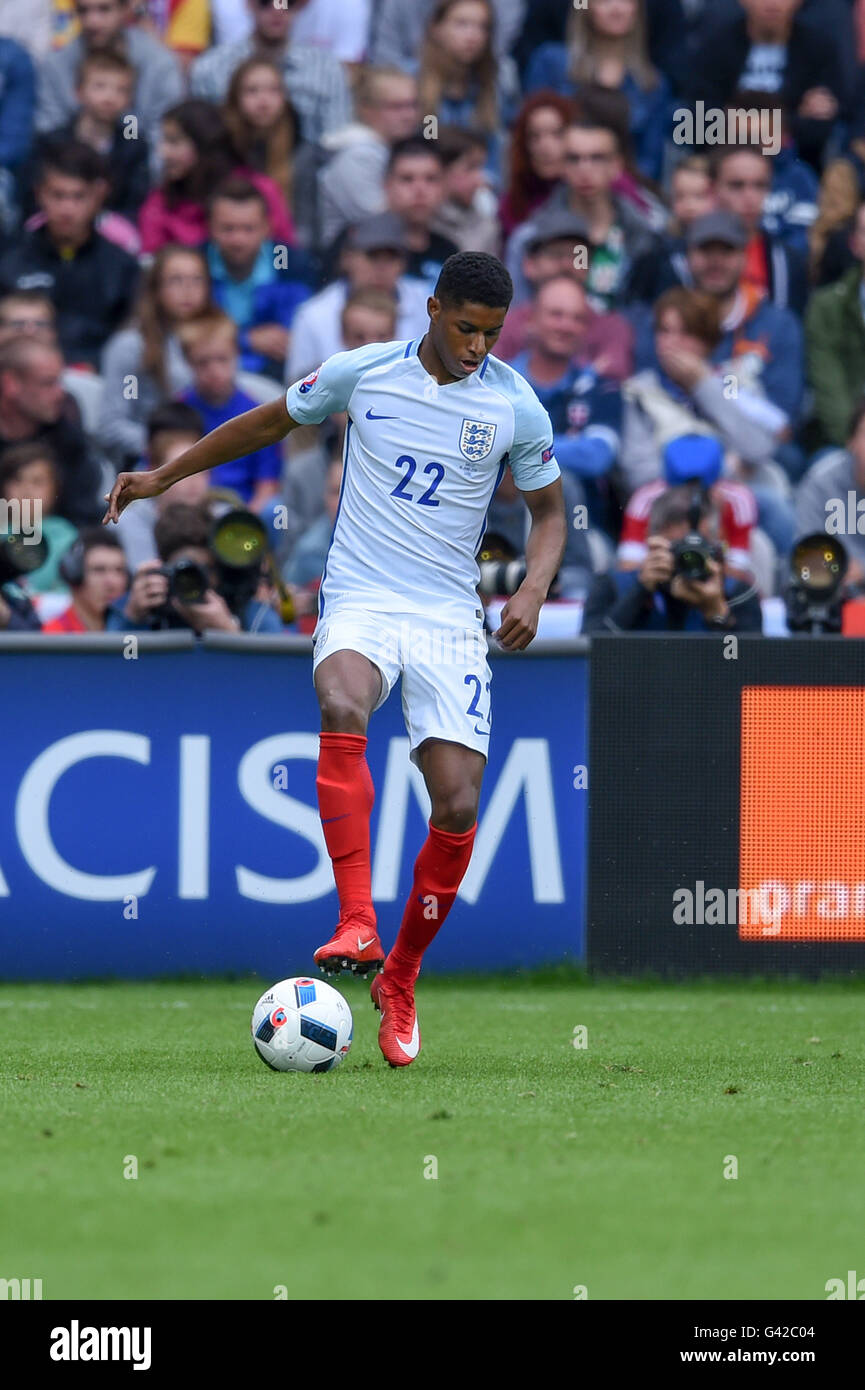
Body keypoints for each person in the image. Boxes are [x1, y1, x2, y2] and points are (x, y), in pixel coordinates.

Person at [103, 250, 567, 1069]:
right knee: (342, 701)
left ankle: (401, 976)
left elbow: (550, 513)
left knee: (457, 803)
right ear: (432, 309)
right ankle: (356, 919)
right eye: (465, 328)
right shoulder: (363, 372)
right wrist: (165, 476)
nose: (476, 347)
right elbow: (267, 422)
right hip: (360, 593)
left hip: (447, 616)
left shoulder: (513, 405)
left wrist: (532, 588)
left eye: (491, 334)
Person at [0, 141, 139, 369]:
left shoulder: (123, 267)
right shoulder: (8, 261)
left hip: (98, 378)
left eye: (78, 197)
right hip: (18, 377)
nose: (67, 209)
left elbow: (130, 344)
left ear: (98, 196)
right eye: (58, 195)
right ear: (39, 194)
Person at [506, 115, 663, 309]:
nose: (585, 169)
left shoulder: (645, 237)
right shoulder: (530, 237)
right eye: (573, 159)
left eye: (597, 158)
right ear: (562, 166)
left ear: (616, 166)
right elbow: (518, 314)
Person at [687, 0, 848, 169]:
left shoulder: (819, 50)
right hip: (721, 160)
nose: (772, 3)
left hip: (795, 164)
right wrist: (788, 120)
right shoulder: (715, 46)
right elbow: (699, 119)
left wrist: (739, 121)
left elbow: (820, 126)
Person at [582, 486, 763, 633]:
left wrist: (717, 613)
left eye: (697, 550)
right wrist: (639, 592)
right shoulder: (613, 586)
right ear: (650, 540)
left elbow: (752, 665)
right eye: (677, 548)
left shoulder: (737, 594)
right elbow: (589, 657)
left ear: (715, 545)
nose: (687, 559)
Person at [524, 0, 671, 181]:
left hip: (625, 189)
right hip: (554, 186)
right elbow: (530, 139)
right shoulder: (551, 64)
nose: (616, 8)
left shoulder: (653, 84)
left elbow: (649, 163)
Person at [99, 244, 214, 468]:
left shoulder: (219, 340)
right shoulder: (130, 347)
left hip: (212, 462)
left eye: (197, 280)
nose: (188, 290)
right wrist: (168, 447)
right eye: (176, 280)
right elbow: (112, 426)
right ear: (155, 288)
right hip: (150, 465)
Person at [138, 99, 295, 255]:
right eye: (164, 141)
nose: (163, 152)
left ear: (203, 144)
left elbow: (284, 253)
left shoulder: (260, 191)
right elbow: (152, 261)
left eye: (174, 142)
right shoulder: (161, 202)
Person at [285, 213, 429, 381]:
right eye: (372, 256)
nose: (382, 268)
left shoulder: (426, 305)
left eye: (391, 257)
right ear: (347, 258)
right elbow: (296, 387)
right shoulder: (313, 315)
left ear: (404, 263)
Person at [494, 207, 634, 379]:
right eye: (556, 254)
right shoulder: (503, 327)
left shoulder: (611, 329)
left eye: (578, 257)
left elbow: (613, 377)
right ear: (529, 265)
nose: (567, 265)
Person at [107, 500, 285, 634]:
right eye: (184, 570)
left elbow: (274, 670)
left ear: (219, 571)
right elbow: (111, 667)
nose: (192, 579)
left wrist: (228, 631)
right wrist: (132, 618)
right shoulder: (143, 608)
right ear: (164, 569)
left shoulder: (254, 616)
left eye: (205, 569)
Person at [189, 0, 352, 142]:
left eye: (287, 2)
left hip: (307, 164)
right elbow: (200, 138)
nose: (277, 10)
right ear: (249, 3)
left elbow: (338, 139)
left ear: (301, 5)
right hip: (231, 161)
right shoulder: (210, 67)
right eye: (265, 1)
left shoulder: (327, 69)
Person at [177, 311, 283, 512]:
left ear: (237, 355)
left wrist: (244, 520)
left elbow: (267, 486)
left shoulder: (258, 415)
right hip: (187, 508)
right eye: (203, 362)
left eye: (222, 359)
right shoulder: (176, 412)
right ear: (188, 362)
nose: (214, 370)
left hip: (243, 512)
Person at [206, 178, 310, 382]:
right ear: (210, 228)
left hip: (275, 376)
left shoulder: (290, 263)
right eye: (228, 229)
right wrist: (246, 339)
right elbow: (184, 328)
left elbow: (297, 330)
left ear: (267, 228)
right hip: (206, 374)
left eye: (248, 228)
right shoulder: (194, 264)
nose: (238, 240)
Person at [32, 50, 151, 226]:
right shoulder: (52, 143)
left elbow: (135, 203)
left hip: (114, 230)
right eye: (100, 86)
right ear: (78, 92)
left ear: (130, 100)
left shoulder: (133, 145)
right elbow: (33, 198)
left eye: (121, 90)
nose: (110, 97)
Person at [36, 0, 183, 136]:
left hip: (137, 151)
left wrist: (130, 141)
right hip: (72, 152)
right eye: (83, 10)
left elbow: (163, 136)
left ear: (125, 10)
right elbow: (50, 132)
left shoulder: (158, 64)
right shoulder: (56, 65)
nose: (92, 21)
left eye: (104, 9)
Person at [0, 336, 102, 526]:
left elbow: (84, 519)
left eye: (59, 382)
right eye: (48, 383)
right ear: (10, 384)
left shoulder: (69, 443)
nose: (60, 393)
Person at [317, 66, 419, 248]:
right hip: (353, 257)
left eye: (413, 105)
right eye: (397, 107)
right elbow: (382, 223)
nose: (409, 115)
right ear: (366, 109)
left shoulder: (390, 149)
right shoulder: (357, 157)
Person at [416, 0, 517, 180]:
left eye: (483, 27)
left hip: (479, 187)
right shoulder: (412, 82)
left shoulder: (497, 86)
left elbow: (496, 157)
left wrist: (486, 182)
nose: (473, 36)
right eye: (462, 24)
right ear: (436, 28)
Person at [805, 212, 865, 449]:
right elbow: (830, 389)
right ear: (854, 243)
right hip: (847, 444)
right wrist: (857, 444)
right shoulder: (826, 307)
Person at [795, 400, 865, 581]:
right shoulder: (821, 483)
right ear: (851, 442)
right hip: (836, 589)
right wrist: (838, 569)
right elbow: (805, 554)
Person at [0, 441, 79, 593]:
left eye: (37, 482)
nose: (26, 491)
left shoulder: (66, 536)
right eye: (17, 480)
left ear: (55, 488)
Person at [499, 92, 574, 238]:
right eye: (534, 136)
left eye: (557, 134)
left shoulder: (595, 195)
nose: (544, 147)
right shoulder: (510, 206)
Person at [41, 526, 130, 631]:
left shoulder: (135, 630)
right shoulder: (53, 635)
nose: (112, 582)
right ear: (73, 575)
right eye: (99, 570)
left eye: (119, 570)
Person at [433, 126, 500, 255]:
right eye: (470, 168)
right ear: (440, 169)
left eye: (480, 168)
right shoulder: (418, 223)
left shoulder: (486, 227)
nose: (479, 180)